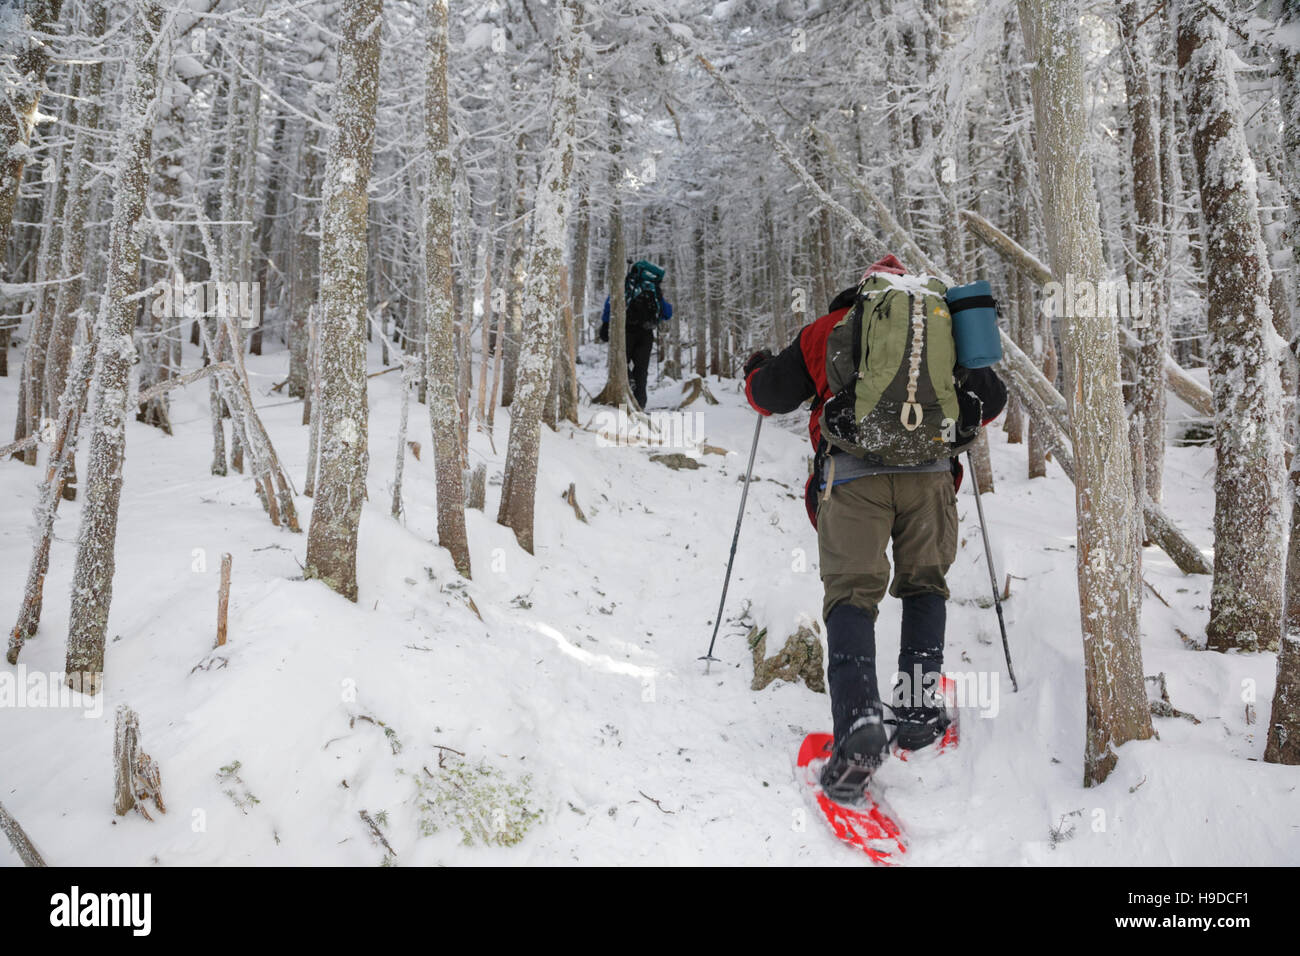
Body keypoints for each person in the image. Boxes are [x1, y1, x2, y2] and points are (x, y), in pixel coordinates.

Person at [741, 253, 1006, 802]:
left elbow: (768, 396)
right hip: (930, 480)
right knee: (925, 586)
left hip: (854, 477)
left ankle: (860, 722)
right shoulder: (945, 326)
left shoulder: (830, 329)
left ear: (863, 292)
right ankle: (916, 711)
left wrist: (753, 371)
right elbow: (993, 402)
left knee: (852, 597)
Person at [599, 259, 673, 409]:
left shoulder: (627, 287)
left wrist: (605, 324)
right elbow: (667, 313)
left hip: (626, 331)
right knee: (642, 369)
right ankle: (640, 404)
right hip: (646, 334)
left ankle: (627, 385)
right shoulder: (653, 290)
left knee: (621, 362)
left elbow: (610, 304)